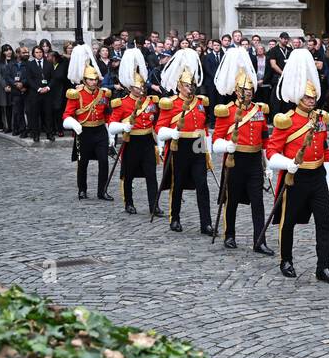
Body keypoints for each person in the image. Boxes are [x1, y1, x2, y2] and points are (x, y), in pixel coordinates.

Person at [266, 49, 329, 283]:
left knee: (324, 221)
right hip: (294, 177)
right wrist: (289, 164)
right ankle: (286, 259)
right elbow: (271, 152)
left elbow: (324, 148)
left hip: (316, 175)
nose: (311, 101)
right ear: (298, 97)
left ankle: (323, 267)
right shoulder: (286, 120)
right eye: (307, 98)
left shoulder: (319, 118)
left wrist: (327, 175)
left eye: (313, 97)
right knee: (288, 221)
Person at [211, 47, 272, 254]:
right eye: (245, 91)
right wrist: (225, 146)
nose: (248, 94)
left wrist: (267, 163)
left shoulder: (259, 110)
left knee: (258, 201)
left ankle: (259, 240)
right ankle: (229, 235)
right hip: (235, 160)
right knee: (232, 199)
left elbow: (264, 138)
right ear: (237, 91)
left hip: (254, 160)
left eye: (250, 91)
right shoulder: (226, 111)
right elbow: (216, 140)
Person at [155, 50, 214, 235]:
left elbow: (203, 127)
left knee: (202, 185)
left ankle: (206, 223)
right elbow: (159, 128)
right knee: (177, 183)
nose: (191, 88)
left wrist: (208, 150)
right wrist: (172, 132)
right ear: (179, 85)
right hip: (179, 146)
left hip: (197, 145)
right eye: (187, 85)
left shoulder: (200, 102)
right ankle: (175, 218)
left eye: (192, 85)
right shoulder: (171, 103)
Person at [108, 49, 162, 216]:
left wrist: (160, 143)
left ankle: (154, 205)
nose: (141, 90)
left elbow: (157, 122)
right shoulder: (122, 103)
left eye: (142, 87)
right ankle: (128, 203)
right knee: (129, 174)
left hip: (147, 141)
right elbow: (111, 124)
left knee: (151, 175)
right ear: (131, 87)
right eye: (138, 88)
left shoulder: (151, 101)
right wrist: (123, 127)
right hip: (131, 142)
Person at [61, 46, 113, 200]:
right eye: (90, 79)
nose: (93, 82)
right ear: (85, 80)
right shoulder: (76, 94)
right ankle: (82, 189)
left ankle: (102, 191)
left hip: (99, 131)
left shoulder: (103, 94)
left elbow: (108, 114)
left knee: (104, 161)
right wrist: (73, 124)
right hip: (83, 132)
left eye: (96, 79)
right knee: (82, 162)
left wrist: (111, 132)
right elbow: (66, 115)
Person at [24, 44, 55, 142]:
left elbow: (53, 78)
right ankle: (35, 134)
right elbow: (29, 79)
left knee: (48, 114)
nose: (39, 54)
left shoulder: (49, 63)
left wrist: (48, 87)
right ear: (33, 54)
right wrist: (38, 89)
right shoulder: (30, 64)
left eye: (40, 52)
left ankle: (49, 133)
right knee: (34, 114)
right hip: (35, 93)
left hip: (47, 93)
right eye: (36, 52)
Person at [0, 44, 16, 133]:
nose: (9, 52)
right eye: (6, 50)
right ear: (3, 52)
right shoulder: (0, 61)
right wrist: (5, 86)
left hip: (14, 86)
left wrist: (12, 85)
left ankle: (15, 126)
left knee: (14, 107)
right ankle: (7, 126)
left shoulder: (14, 60)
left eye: (10, 49)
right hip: (4, 88)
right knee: (6, 107)